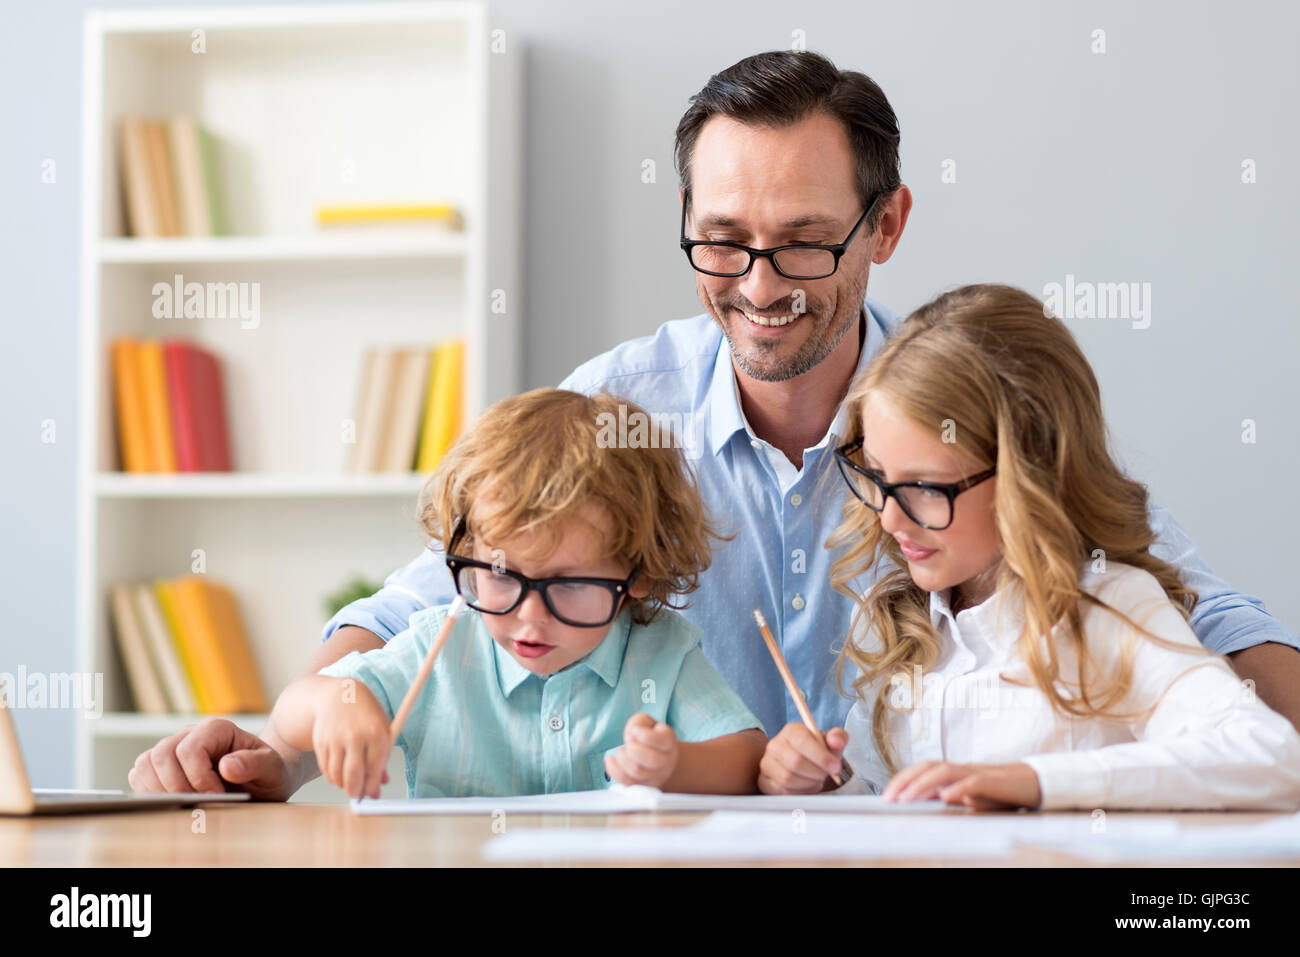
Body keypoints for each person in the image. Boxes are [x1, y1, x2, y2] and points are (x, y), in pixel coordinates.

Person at [129, 50, 1300, 800]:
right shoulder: (619, 408)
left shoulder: (957, 413)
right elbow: (425, 606)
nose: (757, 282)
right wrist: (283, 745)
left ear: (884, 225)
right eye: (721, 238)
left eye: (802, 240)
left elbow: (1178, 610)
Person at [758, 284, 1300, 809]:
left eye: (925, 487)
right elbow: (891, 802)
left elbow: (1270, 756)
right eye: (876, 476)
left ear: (1031, 477)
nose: (890, 515)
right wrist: (830, 783)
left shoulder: (1107, 608)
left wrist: (1030, 782)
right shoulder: (905, 627)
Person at [270, 388, 765, 798]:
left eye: (569, 584)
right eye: (503, 575)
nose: (529, 617)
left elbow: (746, 759)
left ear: (640, 574)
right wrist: (342, 698)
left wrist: (676, 765)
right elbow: (292, 712)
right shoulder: (438, 650)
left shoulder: (660, 654)